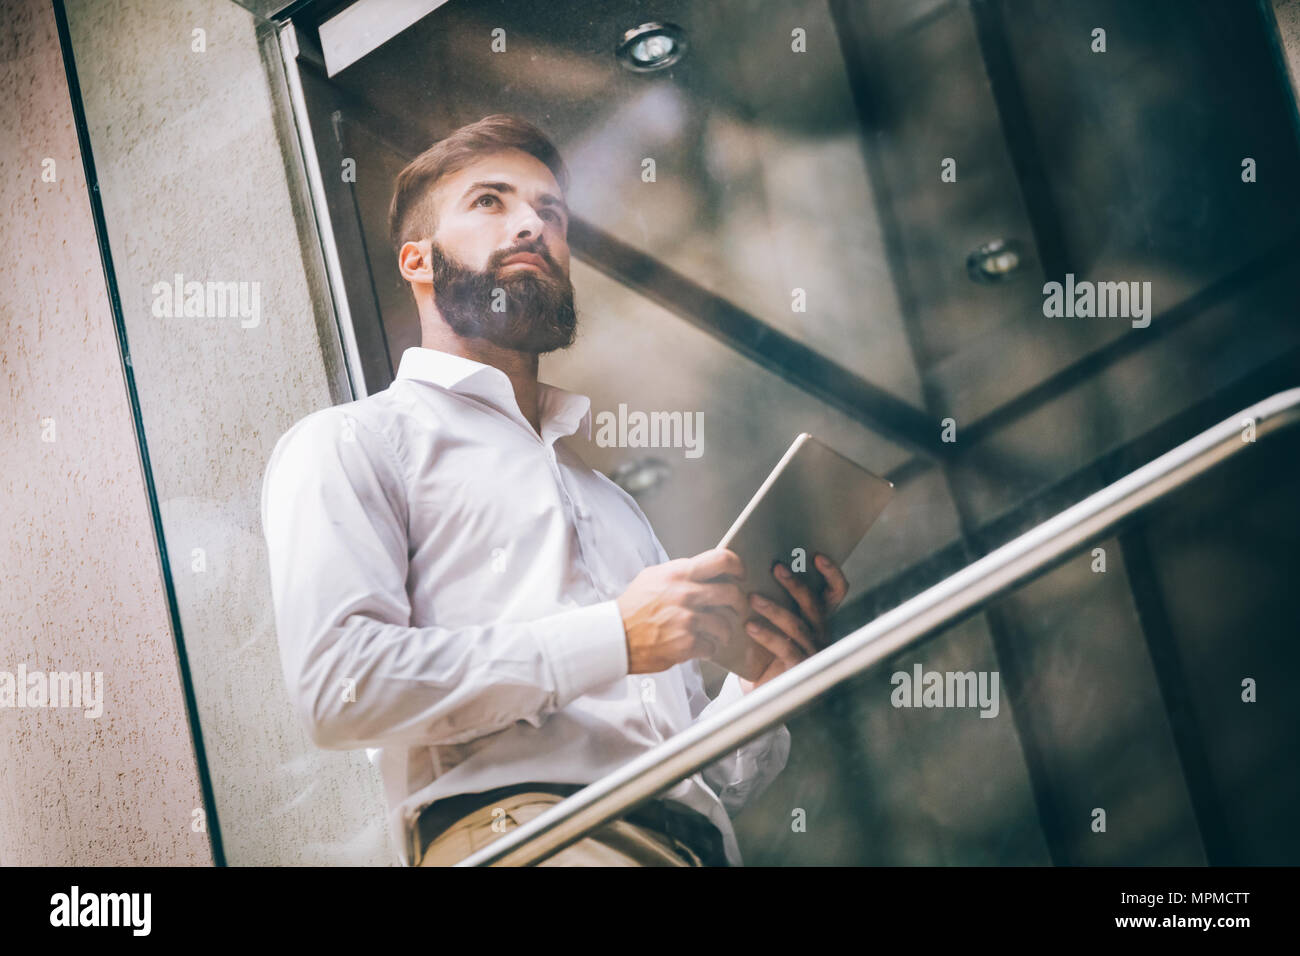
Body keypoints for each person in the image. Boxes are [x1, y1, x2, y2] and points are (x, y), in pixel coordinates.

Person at [260, 114, 849, 867]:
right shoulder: (354, 443)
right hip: (527, 840)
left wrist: (762, 686)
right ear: (418, 260)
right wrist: (616, 637)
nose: (532, 225)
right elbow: (340, 686)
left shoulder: (612, 504)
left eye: (552, 212)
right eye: (490, 203)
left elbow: (714, 777)